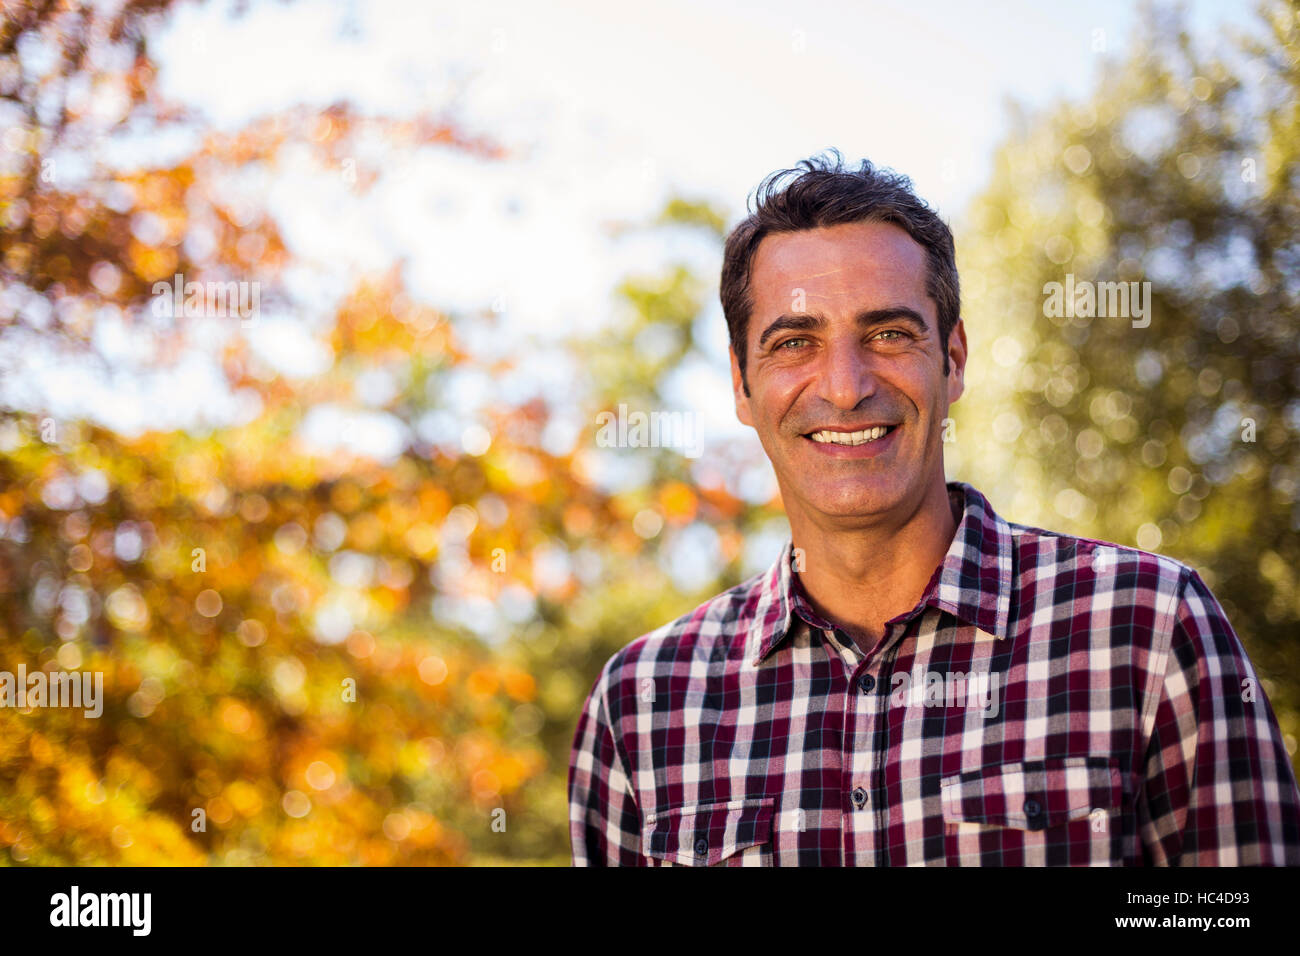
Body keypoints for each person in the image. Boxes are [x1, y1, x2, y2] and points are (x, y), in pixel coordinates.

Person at [567, 150, 1300, 865]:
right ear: (741, 384)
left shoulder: (1146, 624)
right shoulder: (642, 705)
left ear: (952, 361)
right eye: (795, 342)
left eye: (887, 333)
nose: (847, 386)